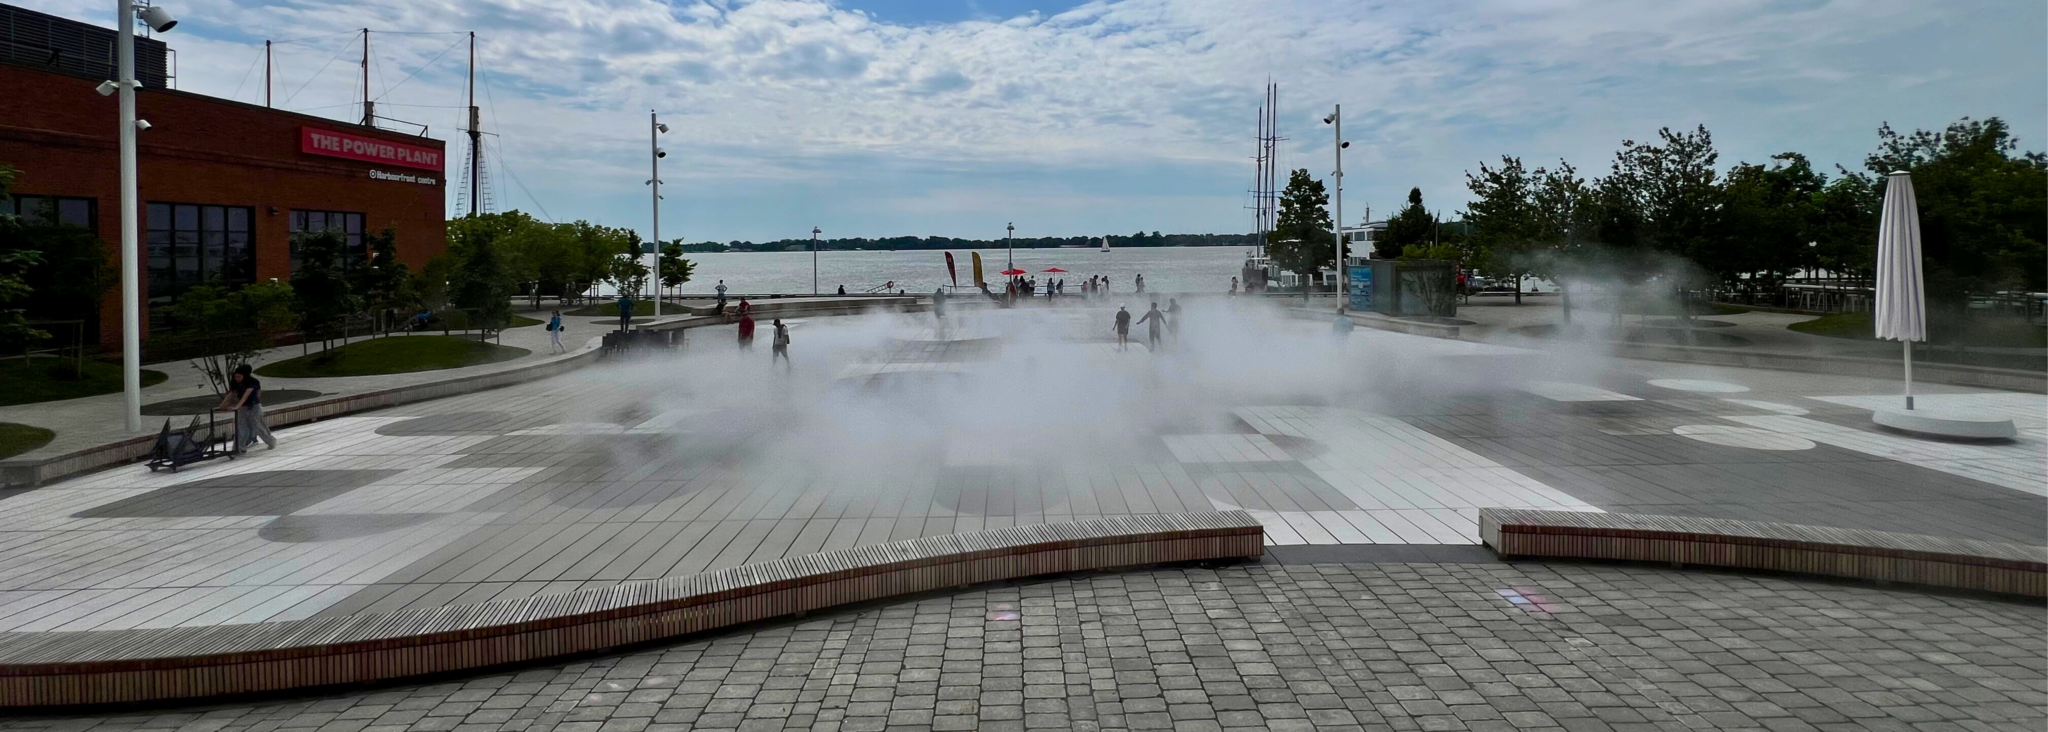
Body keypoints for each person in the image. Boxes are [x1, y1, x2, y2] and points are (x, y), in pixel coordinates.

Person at [220, 364, 276, 452]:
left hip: (253, 407)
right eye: (235, 376)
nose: (237, 378)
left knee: (258, 426)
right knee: (241, 428)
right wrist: (222, 405)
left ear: (244, 375)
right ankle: (239, 448)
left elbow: (246, 396)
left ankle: (270, 441)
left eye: (239, 376)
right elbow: (231, 394)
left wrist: (237, 406)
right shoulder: (236, 383)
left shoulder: (252, 382)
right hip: (243, 408)